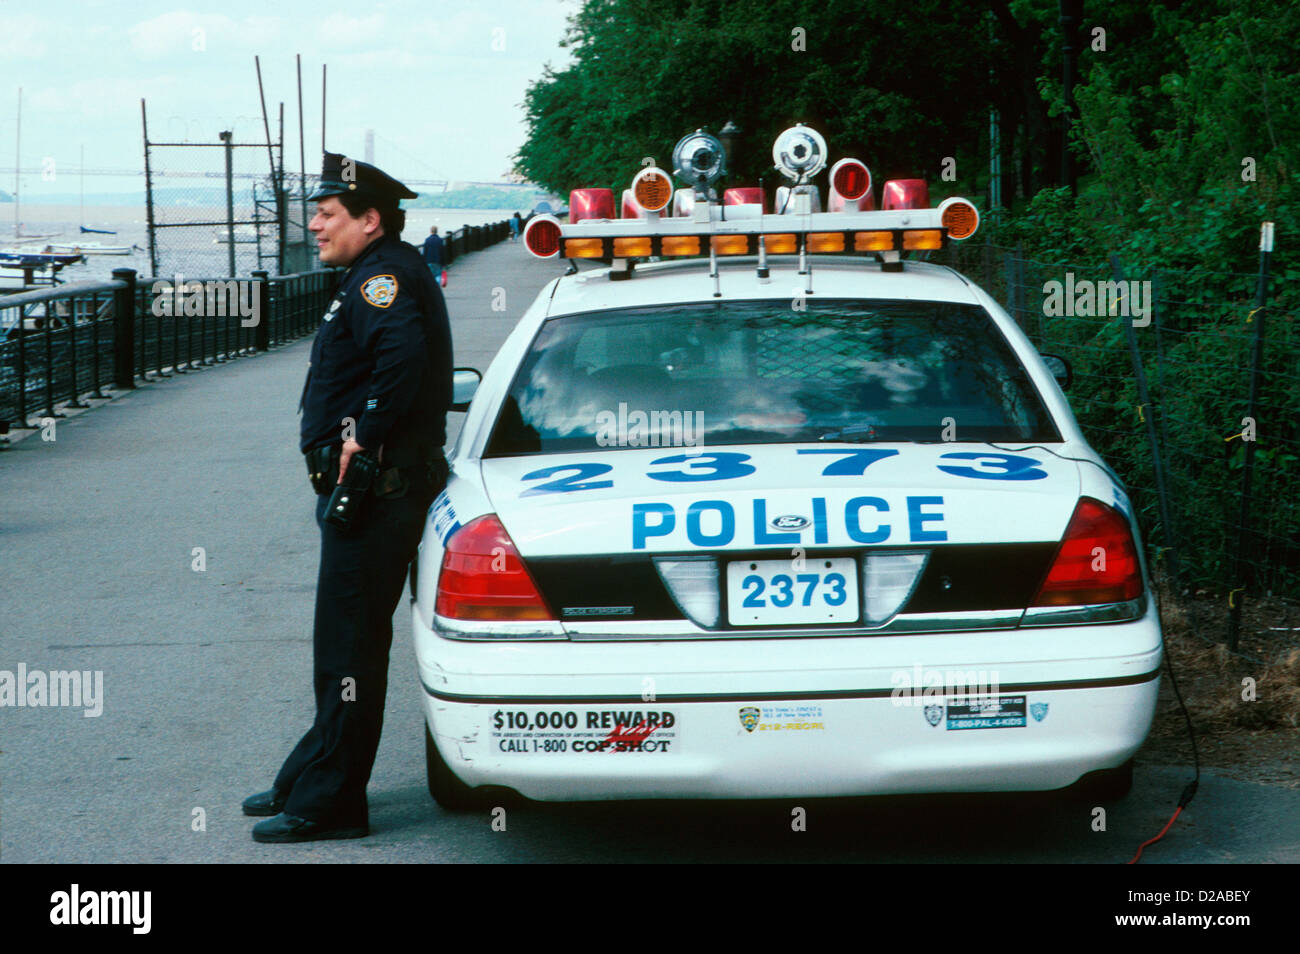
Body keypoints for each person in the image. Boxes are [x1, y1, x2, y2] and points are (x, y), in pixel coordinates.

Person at [242, 151, 452, 843]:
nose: (315, 224)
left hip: (375, 493)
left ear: (370, 219)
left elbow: (402, 359)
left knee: (349, 648)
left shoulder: (384, 278)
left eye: (328, 214)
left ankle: (332, 802)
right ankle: (311, 771)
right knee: (343, 644)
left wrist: (364, 435)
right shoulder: (375, 270)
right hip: (373, 492)